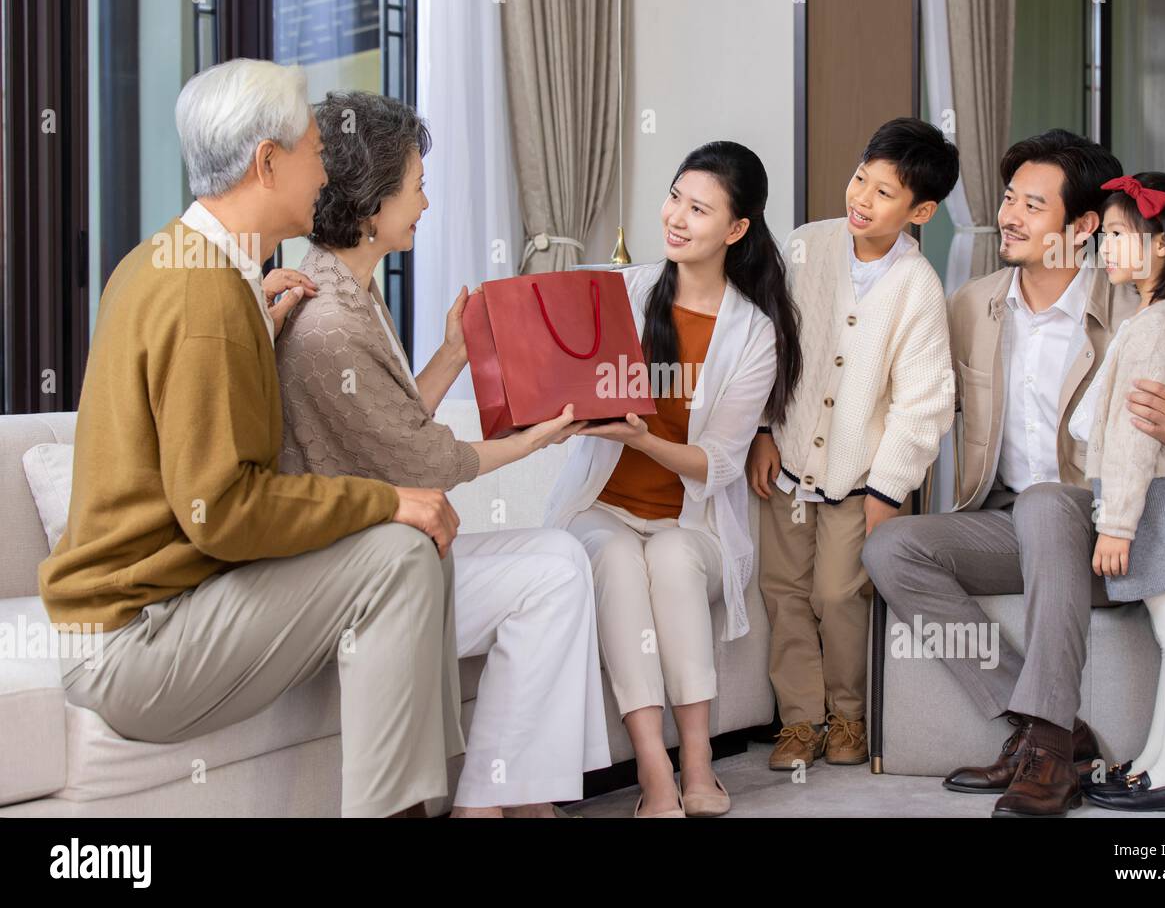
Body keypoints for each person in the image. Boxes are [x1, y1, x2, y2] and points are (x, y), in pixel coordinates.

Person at [39, 58, 462, 818]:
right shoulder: (205, 296)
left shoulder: (164, 262)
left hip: (134, 620)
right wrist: (384, 499)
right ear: (267, 163)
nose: (323, 169)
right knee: (401, 545)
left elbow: (188, 421)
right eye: (310, 149)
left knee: (413, 531)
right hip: (134, 646)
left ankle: (442, 800)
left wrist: (250, 326)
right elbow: (223, 511)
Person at [863, 130, 1165, 817]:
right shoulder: (971, 307)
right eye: (1009, 199)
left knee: (1044, 502)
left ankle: (1047, 752)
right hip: (1010, 520)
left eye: (1034, 205)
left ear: (1084, 225)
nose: (1009, 216)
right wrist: (878, 486)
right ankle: (1051, 731)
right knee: (891, 547)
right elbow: (919, 408)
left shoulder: (1140, 308)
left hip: (1104, 530)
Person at [273, 90, 611, 818]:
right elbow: (423, 459)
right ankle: (499, 800)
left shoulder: (350, 289)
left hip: (385, 547)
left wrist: (455, 354)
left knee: (557, 563)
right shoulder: (330, 320)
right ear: (371, 205)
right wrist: (535, 439)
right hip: (352, 574)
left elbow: (388, 426)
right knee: (555, 570)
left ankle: (510, 797)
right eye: (417, 186)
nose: (426, 202)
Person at [545, 141, 801, 817]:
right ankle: (655, 770)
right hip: (600, 509)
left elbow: (719, 461)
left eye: (699, 208)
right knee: (619, 561)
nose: (677, 217)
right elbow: (564, 379)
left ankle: (698, 760)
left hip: (694, 524)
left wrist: (643, 438)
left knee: (667, 554)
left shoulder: (752, 333)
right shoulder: (621, 291)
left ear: (737, 229)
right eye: (674, 197)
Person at [745, 117, 957, 770]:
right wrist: (759, 429)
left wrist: (889, 486)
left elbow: (923, 403)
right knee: (783, 590)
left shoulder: (918, 287)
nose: (862, 198)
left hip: (859, 476)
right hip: (787, 462)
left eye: (884, 192)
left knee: (839, 594)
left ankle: (850, 715)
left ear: (919, 210)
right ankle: (799, 721)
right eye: (861, 178)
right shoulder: (808, 245)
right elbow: (765, 345)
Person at [1070, 173, 1165, 813]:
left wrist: (1117, 524)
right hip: (1150, 498)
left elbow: (1137, 437)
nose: (1104, 248)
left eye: (1116, 235)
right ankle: (1158, 765)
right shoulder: (1156, 316)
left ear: (1161, 244)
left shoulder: (1156, 326)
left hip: (1149, 500)